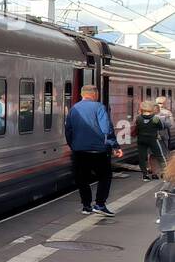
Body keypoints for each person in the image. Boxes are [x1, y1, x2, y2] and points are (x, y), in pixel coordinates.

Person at [64, 85, 123, 216]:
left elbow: (68, 130)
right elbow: (106, 129)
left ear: (81, 94)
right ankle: (100, 204)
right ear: (95, 94)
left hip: (79, 151)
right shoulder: (99, 107)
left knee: (82, 179)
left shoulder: (74, 109)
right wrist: (115, 146)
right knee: (105, 176)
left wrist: (73, 145)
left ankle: (86, 206)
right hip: (98, 151)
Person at [135, 101, 165, 181]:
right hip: (152, 140)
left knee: (142, 158)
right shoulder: (155, 118)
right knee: (159, 156)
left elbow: (137, 128)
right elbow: (161, 127)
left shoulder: (138, 118)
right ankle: (165, 172)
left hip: (141, 140)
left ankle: (145, 175)